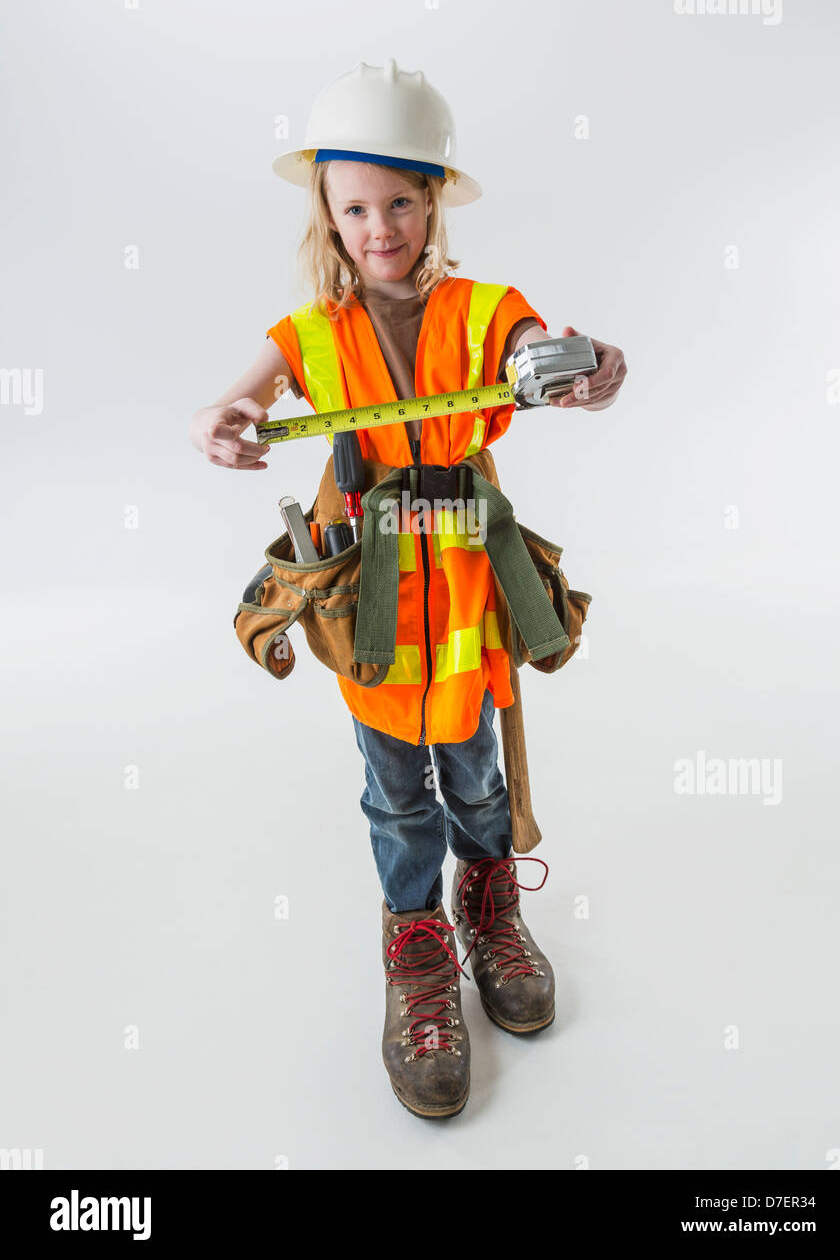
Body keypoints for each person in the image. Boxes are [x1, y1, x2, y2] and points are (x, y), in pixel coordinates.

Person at [188, 59, 627, 1120]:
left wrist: (582, 362)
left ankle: (485, 905)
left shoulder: (484, 309)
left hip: (469, 615)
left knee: (475, 783)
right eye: (354, 206)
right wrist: (224, 417)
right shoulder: (312, 334)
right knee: (393, 795)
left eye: (399, 200)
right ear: (327, 216)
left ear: (433, 201)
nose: (378, 225)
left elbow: (536, 350)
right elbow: (243, 390)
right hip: (372, 628)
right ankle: (415, 942)